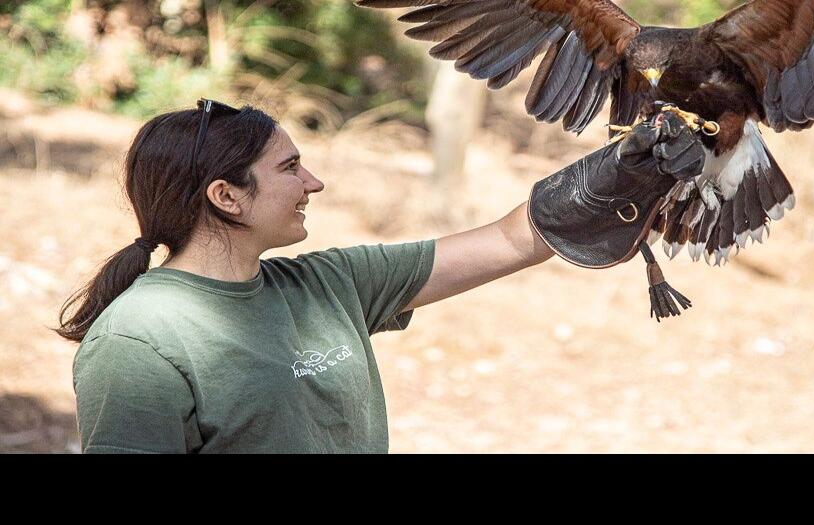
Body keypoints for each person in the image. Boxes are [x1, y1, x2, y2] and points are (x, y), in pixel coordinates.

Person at [57, 99, 703, 453]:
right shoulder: (138, 341)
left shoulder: (331, 284)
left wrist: (627, 163)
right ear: (227, 196)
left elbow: (514, 238)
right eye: (290, 168)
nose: (314, 182)